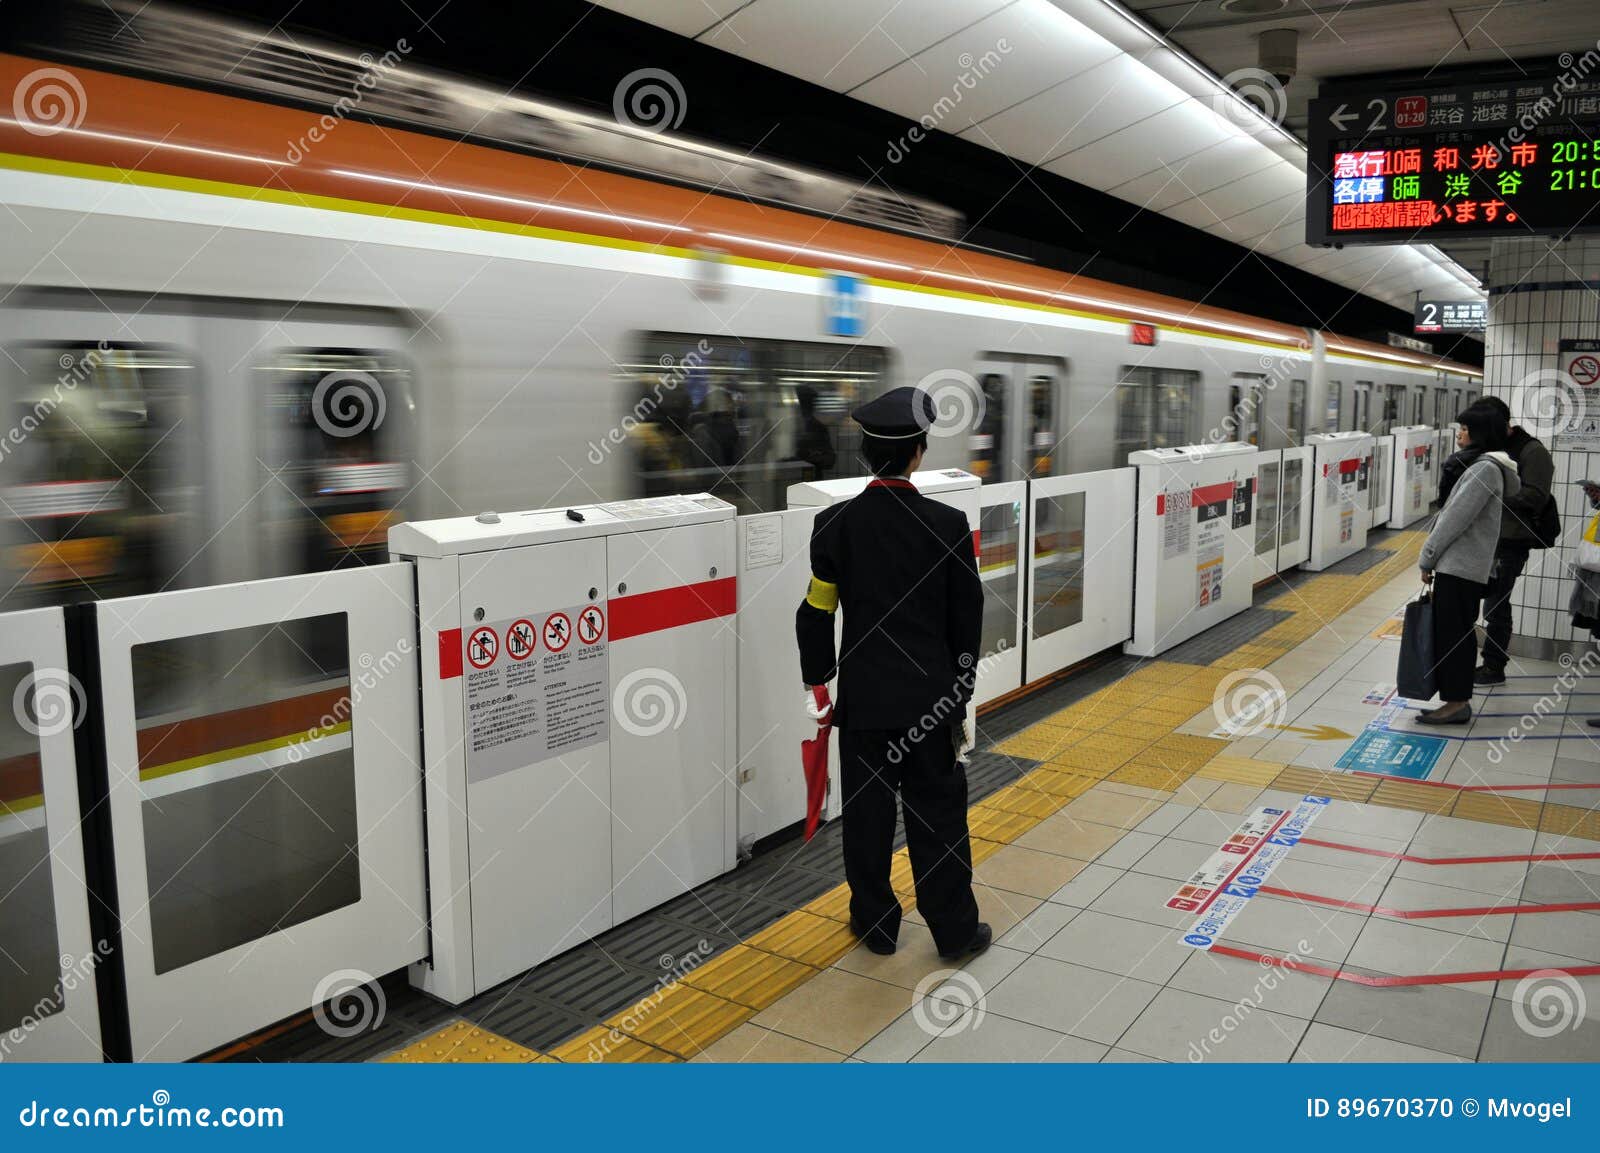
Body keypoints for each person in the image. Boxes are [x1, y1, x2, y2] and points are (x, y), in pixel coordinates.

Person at [795, 385, 989, 960]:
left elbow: (816, 610)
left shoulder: (835, 525)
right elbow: (967, 619)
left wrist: (819, 684)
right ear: (918, 452)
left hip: (865, 706)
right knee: (939, 818)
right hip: (930, 705)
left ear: (864, 453)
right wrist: (959, 691)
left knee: (868, 820)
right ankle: (954, 932)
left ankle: (876, 926)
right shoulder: (948, 525)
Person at [1416, 406, 1520, 724]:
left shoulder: (1483, 471)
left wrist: (1427, 557)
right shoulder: (1486, 467)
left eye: (1465, 428)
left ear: (1480, 433)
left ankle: (1456, 703)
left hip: (1460, 568)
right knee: (1455, 635)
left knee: (1454, 638)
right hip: (1464, 568)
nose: (1459, 433)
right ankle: (1454, 700)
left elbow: (1453, 520)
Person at [1469, 397, 1557, 685]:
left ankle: (1494, 666)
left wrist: (1494, 497)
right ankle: (1467, 661)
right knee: (1472, 602)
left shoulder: (1533, 452)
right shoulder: (1490, 447)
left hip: (1510, 541)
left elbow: (1536, 496)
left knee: (1496, 604)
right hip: (1483, 538)